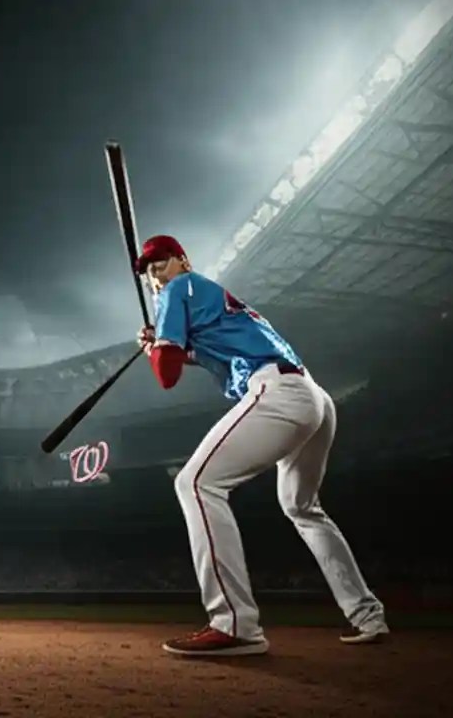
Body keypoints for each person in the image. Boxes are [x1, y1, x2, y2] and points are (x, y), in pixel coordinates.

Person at [134, 234, 387, 657]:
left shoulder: (180, 288)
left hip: (277, 393)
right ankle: (367, 614)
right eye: (147, 272)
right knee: (302, 507)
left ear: (182, 261)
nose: (155, 276)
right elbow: (202, 356)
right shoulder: (206, 297)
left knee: (196, 483)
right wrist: (163, 345)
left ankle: (234, 624)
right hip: (311, 395)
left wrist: (159, 345)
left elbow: (166, 376)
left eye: (160, 264)